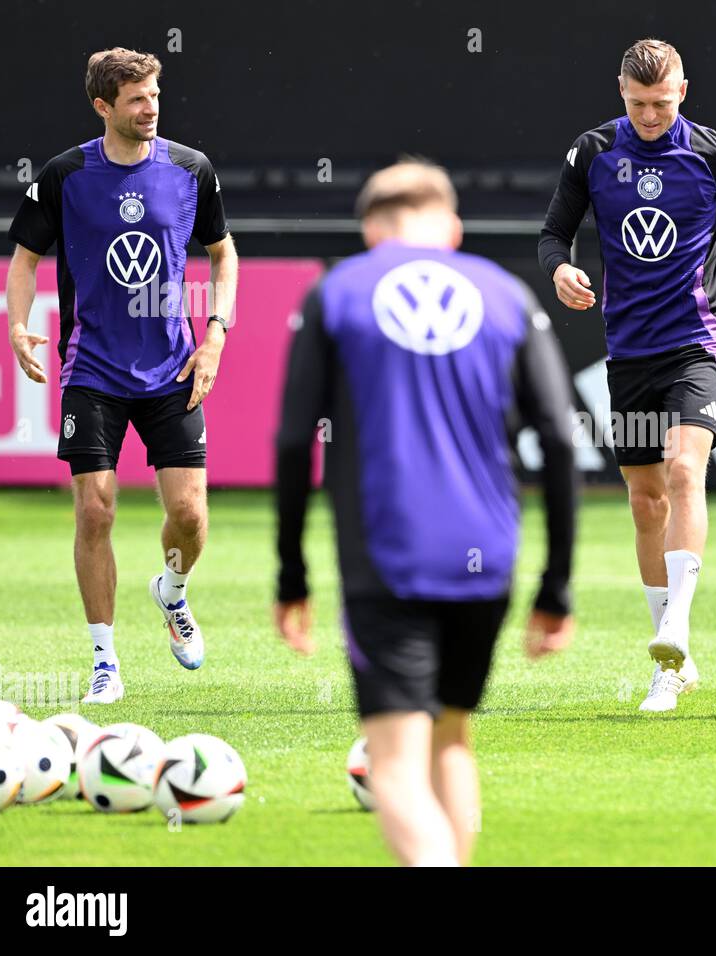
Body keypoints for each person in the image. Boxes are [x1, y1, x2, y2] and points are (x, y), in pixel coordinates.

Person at [274, 161, 579, 866]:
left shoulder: (337, 292)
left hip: (389, 556)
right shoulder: (504, 293)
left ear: (371, 228)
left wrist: (292, 574)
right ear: (452, 225)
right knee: (452, 737)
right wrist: (555, 584)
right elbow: (563, 439)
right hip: (487, 559)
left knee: (395, 767)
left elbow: (295, 441)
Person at [538, 37, 716, 712]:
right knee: (644, 501)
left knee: (685, 470)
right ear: (620, 92)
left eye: (661, 103)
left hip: (697, 345)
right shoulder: (594, 152)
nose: (649, 116)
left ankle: (676, 632)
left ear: (683, 92)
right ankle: (677, 662)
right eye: (637, 104)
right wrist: (560, 268)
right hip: (628, 351)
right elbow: (553, 233)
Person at [6, 47, 237, 703]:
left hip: (172, 368)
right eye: (137, 99)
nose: (151, 107)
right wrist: (18, 324)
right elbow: (24, 261)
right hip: (92, 369)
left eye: (156, 94)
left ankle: (171, 590)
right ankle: (105, 662)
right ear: (103, 106)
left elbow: (223, 257)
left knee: (190, 517)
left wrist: (216, 335)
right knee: (96, 509)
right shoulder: (65, 174)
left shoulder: (192, 169)